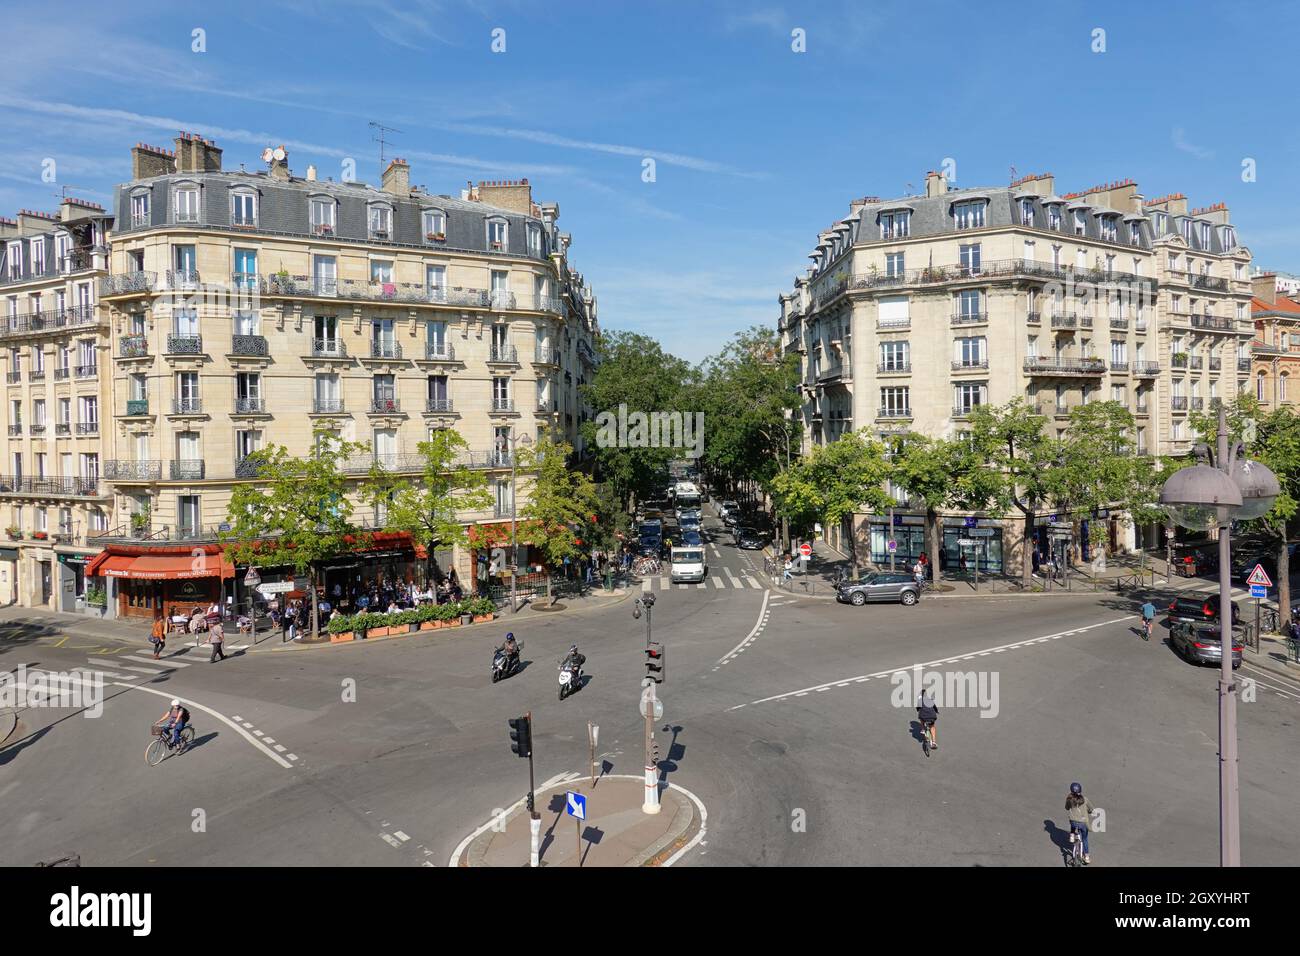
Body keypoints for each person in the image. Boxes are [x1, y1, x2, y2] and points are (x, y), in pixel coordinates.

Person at [1065, 782, 1095, 864]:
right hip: (1083, 823)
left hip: (1073, 823)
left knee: (1073, 821)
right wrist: (1089, 811)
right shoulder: (1085, 799)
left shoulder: (1069, 799)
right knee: (1084, 839)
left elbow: (1067, 808)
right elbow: (1091, 809)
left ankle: (1072, 835)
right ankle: (1087, 857)